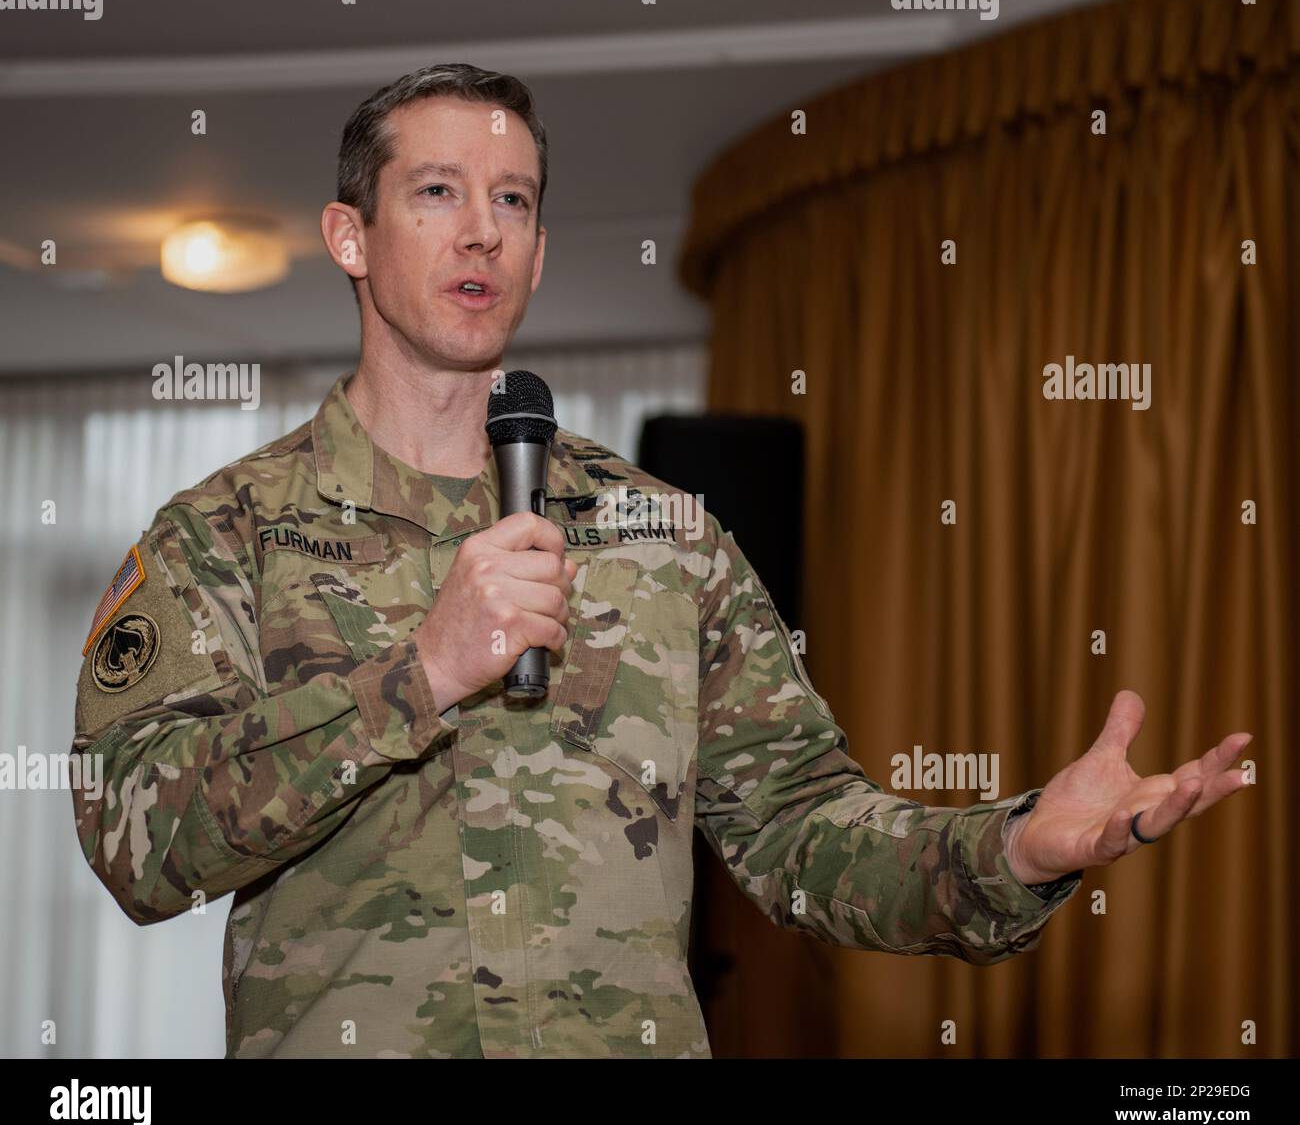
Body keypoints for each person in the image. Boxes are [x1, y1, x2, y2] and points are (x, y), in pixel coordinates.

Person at [69, 64, 1252, 1059]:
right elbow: (135, 840)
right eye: (436, 191)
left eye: (515, 201)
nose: (483, 227)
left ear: (534, 258)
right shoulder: (224, 534)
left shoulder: (665, 539)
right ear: (350, 237)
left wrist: (1018, 845)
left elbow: (799, 833)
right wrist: (416, 676)